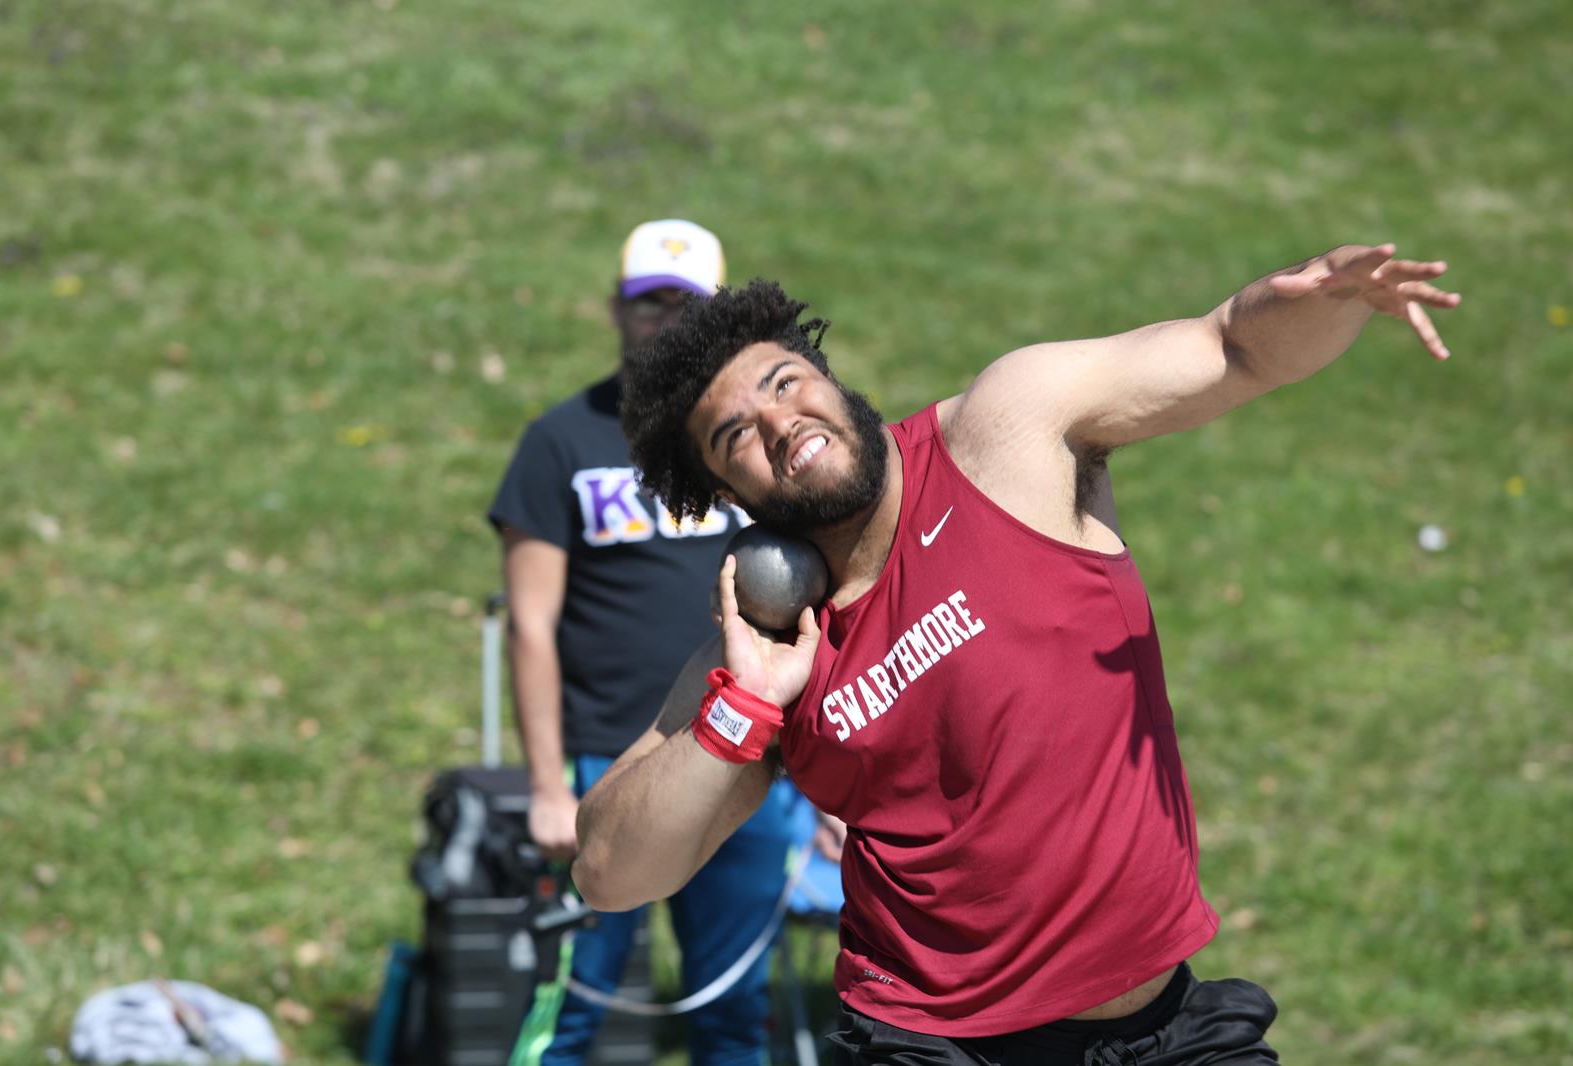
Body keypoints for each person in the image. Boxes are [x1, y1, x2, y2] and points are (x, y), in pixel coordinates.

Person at [570, 244, 1461, 1064]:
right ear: (727, 493)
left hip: (1166, 1028)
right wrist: (744, 711)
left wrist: (1325, 296)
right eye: (734, 437)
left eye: (784, 380)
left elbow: (1232, 347)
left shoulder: (1003, 434)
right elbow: (610, 871)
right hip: (939, 1045)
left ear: (828, 378)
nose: (777, 422)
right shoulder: (766, 648)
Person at [487, 218, 798, 1066]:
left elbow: (823, 602)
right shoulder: (561, 441)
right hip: (606, 759)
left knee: (734, 1006)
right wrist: (549, 785)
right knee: (571, 1004)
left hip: (745, 752)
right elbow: (530, 626)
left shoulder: (755, 441)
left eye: (685, 303)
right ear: (618, 310)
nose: (665, 317)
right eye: (647, 300)